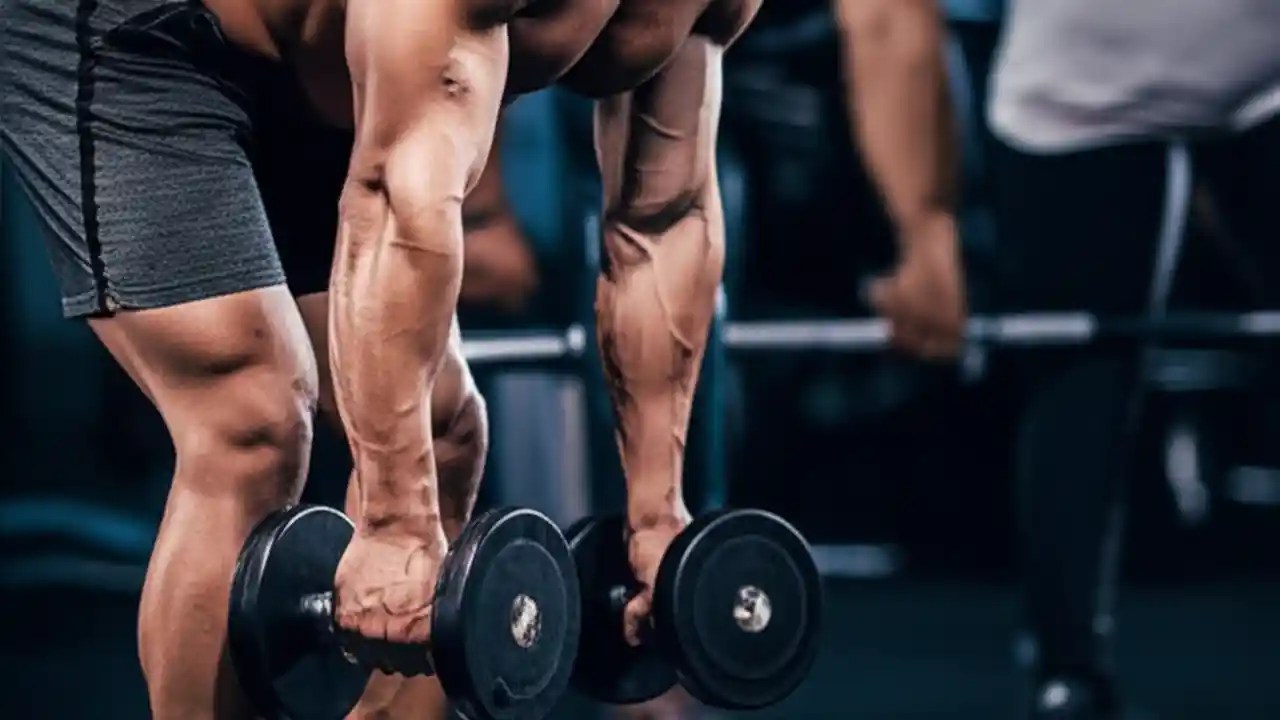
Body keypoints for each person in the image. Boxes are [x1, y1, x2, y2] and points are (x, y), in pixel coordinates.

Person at [1, 1, 761, 719]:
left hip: (319, 82)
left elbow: (664, 218)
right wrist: (394, 523)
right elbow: (402, 198)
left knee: (443, 432)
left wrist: (657, 515)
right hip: (139, 33)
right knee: (254, 418)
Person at [987, 1, 1280, 717]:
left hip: (1267, 74)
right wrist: (924, 232)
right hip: (1075, 98)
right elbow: (888, 24)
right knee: (1080, 375)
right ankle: (1069, 672)